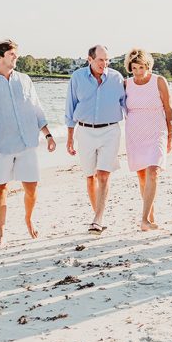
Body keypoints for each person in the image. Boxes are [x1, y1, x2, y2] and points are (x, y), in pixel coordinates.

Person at [0, 39, 57, 249]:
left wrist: (47, 135)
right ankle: (2, 234)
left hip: (27, 143)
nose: (16, 57)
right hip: (1, 145)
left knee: (31, 188)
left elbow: (37, 109)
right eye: (12, 54)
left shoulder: (25, 80)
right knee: (1, 187)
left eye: (16, 54)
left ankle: (28, 218)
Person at [66, 44, 126, 233]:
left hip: (110, 131)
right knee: (90, 176)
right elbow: (70, 107)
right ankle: (97, 215)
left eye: (107, 59)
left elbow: (127, 106)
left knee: (103, 174)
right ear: (90, 59)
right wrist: (69, 137)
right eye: (101, 59)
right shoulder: (77, 78)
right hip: (84, 132)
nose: (105, 63)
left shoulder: (117, 78)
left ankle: (98, 218)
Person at [122, 48, 172, 231]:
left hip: (156, 130)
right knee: (142, 176)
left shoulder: (159, 81)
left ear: (148, 66)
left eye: (142, 67)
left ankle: (144, 219)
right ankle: (150, 213)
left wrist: (170, 135)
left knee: (154, 171)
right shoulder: (126, 83)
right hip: (135, 132)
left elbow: (168, 109)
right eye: (134, 67)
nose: (138, 72)